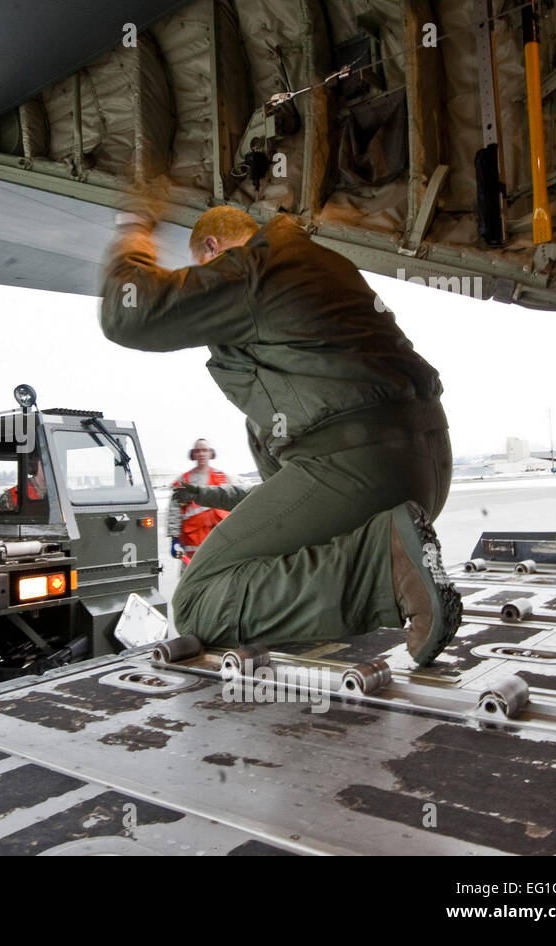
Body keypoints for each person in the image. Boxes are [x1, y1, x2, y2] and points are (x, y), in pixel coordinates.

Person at [99, 203, 461, 666]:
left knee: (194, 603)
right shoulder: (324, 264)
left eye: (199, 267)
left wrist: (134, 231)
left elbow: (129, 315)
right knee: (263, 468)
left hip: (357, 464)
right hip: (424, 465)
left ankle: (386, 567)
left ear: (212, 247)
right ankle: (381, 557)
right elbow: (283, 500)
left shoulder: (252, 268)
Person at [169, 439, 232, 565]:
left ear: (211, 453)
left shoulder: (222, 478)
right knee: (191, 580)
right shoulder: (184, 480)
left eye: (205, 450)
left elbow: (233, 505)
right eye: (198, 451)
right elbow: (174, 510)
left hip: (218, 541)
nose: (201, 454)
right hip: (192, 543)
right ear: (193, 455)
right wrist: (174, 537)